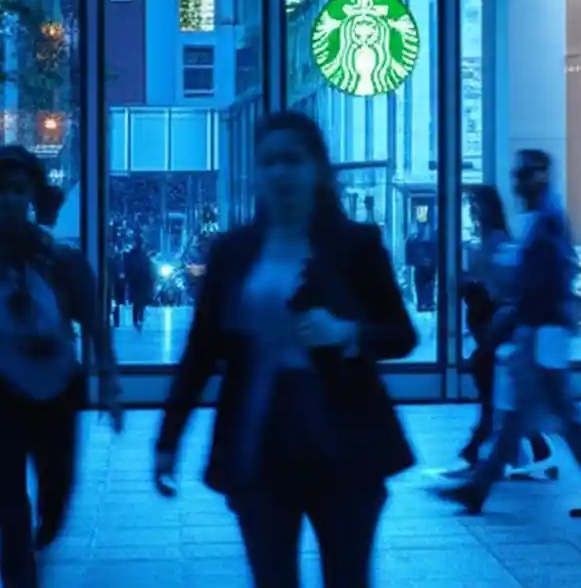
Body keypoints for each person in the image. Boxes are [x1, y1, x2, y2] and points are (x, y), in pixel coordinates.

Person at [153, 111, 418, 587]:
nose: (280, 172)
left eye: (292, 159)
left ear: (316, 168)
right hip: (260, 438)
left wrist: (347, 332)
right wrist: (169, 439)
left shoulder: (355, 245)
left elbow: (400, 334)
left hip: (344, 439)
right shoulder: (233, 252)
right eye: (269, 161)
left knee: (348, 576)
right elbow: (201, 350)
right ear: (256, 171)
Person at [434, 150, 581, 517]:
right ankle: (479, 488)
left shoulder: (546, 219)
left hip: (543, 330)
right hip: (538, 329)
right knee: (524, 416)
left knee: (557, 415)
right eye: (516, 174)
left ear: (542, 175)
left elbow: (553, 274)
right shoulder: (539, 218)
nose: (516, 182)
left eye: (524, 175)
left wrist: (521, 303)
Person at [0, 145, 124, 587]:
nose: (8, 200)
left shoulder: (63, 261)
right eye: (0, 190)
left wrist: (109, 381)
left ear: (32, 195)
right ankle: (19, 573)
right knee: (9, 501)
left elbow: (95, 324)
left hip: (58, 390)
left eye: (16, 190)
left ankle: (41, 534)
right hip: (5, 392)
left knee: (57, 491)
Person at [455, 185, 554, 475]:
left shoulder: (498, 242)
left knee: (494, 391)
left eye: (475, 206)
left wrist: (474, 285)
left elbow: (503, 287)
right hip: (489, 328)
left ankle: (479, 452)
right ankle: (524, 449)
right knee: (504, 399)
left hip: (495, 329)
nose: (472, 212)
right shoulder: (487, 241)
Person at [124, 237, 153, 331]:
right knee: (139, 302)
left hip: (138, 281)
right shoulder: (139, 256)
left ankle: (137, 319)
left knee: (139, 302)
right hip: (138, 281)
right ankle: (137, 319)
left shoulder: (138, 256)